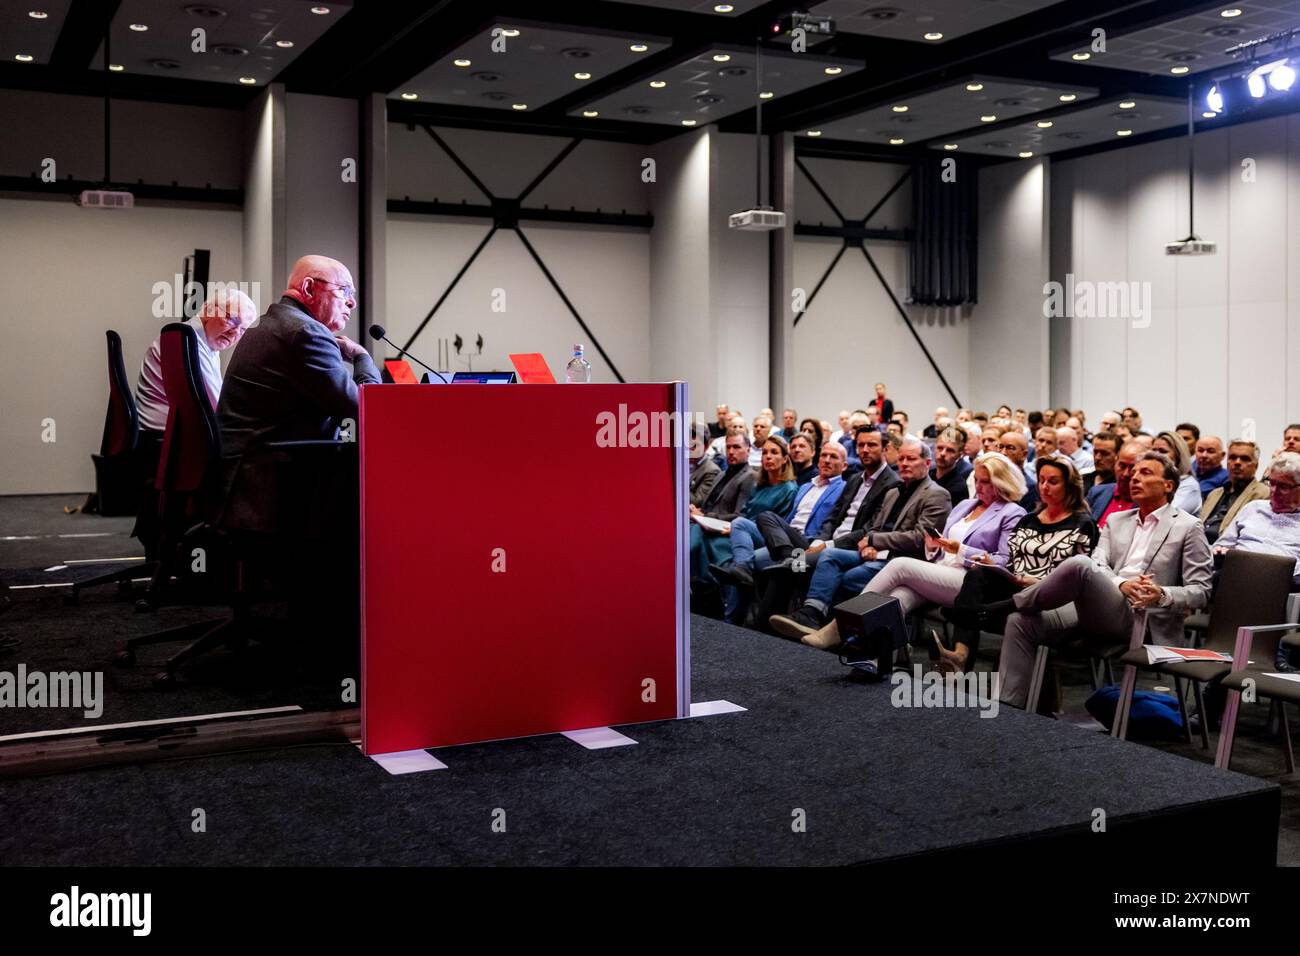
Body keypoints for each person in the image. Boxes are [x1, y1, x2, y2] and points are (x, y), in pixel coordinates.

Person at [990, 452, 1212, 710]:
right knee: (1021, 622)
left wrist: (1161, 594)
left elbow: (1201, 591)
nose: (1134, 477)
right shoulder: (1117, 521)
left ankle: (1007, 604)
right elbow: (1099, 563)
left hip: (1142, 618)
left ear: (1168, 486)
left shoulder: (1188, 527)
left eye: (1145, 473)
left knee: (1079, 564)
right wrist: (1120, 584)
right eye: (1134, 472)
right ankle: (1007, 708)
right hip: (1097, 607)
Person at [799, 453, 1027, 652]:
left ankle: (839, 627)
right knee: (897, 597)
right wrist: (933, 546)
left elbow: (1002, 561)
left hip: (971, 584)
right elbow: (939, 551)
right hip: (940, 572)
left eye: (985, 482)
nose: (978, 486)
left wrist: (962, 550)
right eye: (976, 480)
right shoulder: (965, 506)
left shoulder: (1012, 512)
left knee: (900, 566)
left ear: (1001, 483)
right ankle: (877, 656)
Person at [216, 255, 379, 532]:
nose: (352, 302)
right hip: (267, 481)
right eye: (345, 291)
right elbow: (366, 411)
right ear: (308, 288)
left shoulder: (270, 325)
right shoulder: (304, 333)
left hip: (241, 474)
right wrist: (362, 357)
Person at [768, 438, 951, 637]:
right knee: (830, 556)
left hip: (902, 561)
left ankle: (842, 633)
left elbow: (919, 538)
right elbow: (875, 528)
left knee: (848, 576)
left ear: (927, 463)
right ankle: (811, 614)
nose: (904, 463)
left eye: (911, 459)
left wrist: (874, 541)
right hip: (875, 553)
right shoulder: (893, 493)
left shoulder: (936, 494)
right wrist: (868, 544)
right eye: (902, 458)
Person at [936, 455, 1098, 672]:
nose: (1044, 486)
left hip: (1052, 594)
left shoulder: (1083, 524)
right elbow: (1009, 560)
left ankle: (972, 615)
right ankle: (960, 653)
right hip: (1015, 584)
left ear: (1069, 487)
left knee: (1008, 613)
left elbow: (1076, 573)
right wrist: (997, 569)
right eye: (1041, 480)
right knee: (977, 572)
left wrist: (1037, 580)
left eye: (1053, 481)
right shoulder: (1029, 519)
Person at [714, 441, 847, 589]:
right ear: (818, 459)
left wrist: (819, 544)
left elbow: (832, 522)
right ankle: (743, 569)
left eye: (833, 457)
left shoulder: (844, 489)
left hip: (808, 543)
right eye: (824, 455)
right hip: (785, 538)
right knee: (739, 523)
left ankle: (759, 566)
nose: (827, 460)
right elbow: (787, 520)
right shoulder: (806, 487)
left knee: (763, 520)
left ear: (845, 466)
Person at [136, 288, 258, 432]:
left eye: (243, 329)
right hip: (162, 443)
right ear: (208, 310)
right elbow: (219, 409)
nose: (235, 333)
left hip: (169, 438)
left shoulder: (204, 343)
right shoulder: (188, 340)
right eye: (231, 319)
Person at [693, 435, 797, 593]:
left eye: (774, 452)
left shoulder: (789, 488)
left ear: (784, 459)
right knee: (712, 536)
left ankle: (741, 569)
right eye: (765, 453)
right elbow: (745, 512)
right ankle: (704, 589)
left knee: (728, 533)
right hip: (744, 531)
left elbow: (778, 524)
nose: (768, 456)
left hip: (769, 538)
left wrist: (736, 527)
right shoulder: (761, 485)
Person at [1215, 452, 1300, 585]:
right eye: (1272, 483)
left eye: (1283, 486)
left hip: (1280, 585)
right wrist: (1220, 550)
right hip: (1235, 576)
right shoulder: (1253, 508)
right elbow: (1222, 544)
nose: (1274, 491)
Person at [1200, 440, 1269, 544]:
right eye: (1232, 458)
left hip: (1228, 551)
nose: (1237, 462)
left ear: (1256, 466)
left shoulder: (1263, 494)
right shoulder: (1214, 494)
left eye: (1244, 459)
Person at [1087, 440, 1141, 526]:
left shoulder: (1146, 502)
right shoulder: (1097, 493)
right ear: (1115, 463)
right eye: (1122, 466)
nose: (1125, 473)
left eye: (1132, 469)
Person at [1152, 430, 1201, 513]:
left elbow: (1166, 516)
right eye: (1153, 450)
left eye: (1163, 451)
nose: (1156, 455)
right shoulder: (1150, 481)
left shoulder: (1189, 486)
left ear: (1178, 457)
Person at [997, 429, 1038, 509]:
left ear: (1024, 455)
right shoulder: (992, 479)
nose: (1003, 453)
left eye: (1010, 448)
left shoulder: (1029, 487)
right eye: (1001, 447)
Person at [930, 426, 972, 505]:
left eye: (950, 450)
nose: (943, 453)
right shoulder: (927, 476)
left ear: (960, 455)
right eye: (940, 448)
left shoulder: (959, 488)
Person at [688, 423, 722, 507]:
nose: (689, 448)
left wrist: (678, 484)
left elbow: (697, 502)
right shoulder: (679, 464)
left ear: (706, 446)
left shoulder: (712, 471)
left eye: (695, 445)